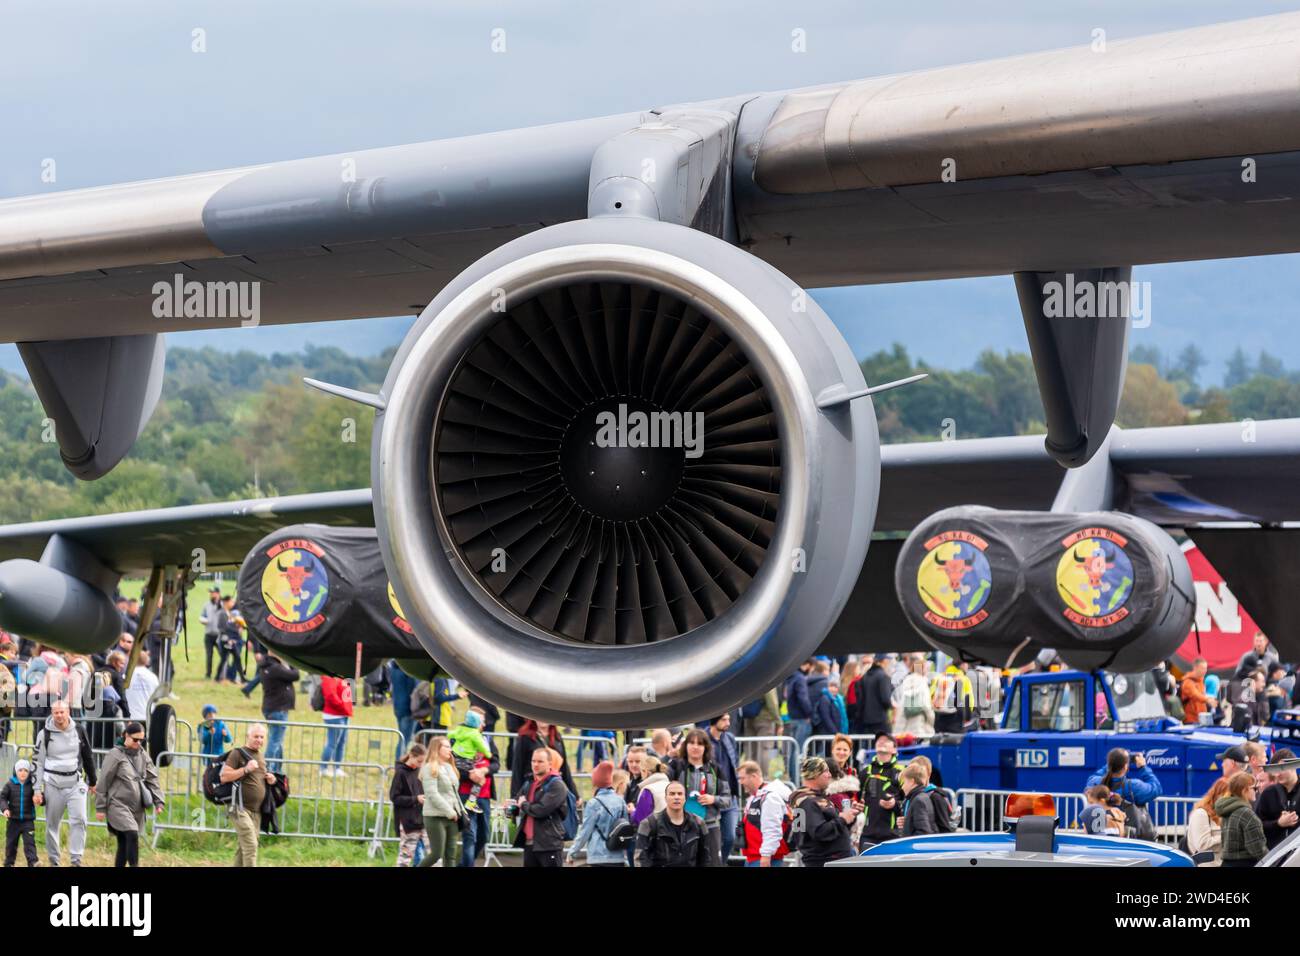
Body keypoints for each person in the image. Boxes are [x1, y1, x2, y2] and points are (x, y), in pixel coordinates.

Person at [32, 699, 97, 867]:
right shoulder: (44, 734)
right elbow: (37, 763)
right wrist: (37, 789)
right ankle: (55, 861)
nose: (59, 716)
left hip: (76, 783)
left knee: (80, 820)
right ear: (52, 714)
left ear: (68, 712)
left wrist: (93, 781)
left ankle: (76, 861)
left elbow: (88, 755)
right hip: (53, 784)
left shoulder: (79, 731)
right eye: (56, 713)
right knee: (52, 825)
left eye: (62, 712)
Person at [94, 721, 164, 868]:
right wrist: (100, 807)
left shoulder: (143, 755)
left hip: (137, 807)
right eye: (135, 739)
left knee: (123, 842)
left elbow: (152, 778)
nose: (138, 743)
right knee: (132, 833)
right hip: (117, 805)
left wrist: (159, 801)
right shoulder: (115, 755)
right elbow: (103, 781)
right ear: (126, 735)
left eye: (141, 740)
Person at [667, 728, 733, 866]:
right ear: (686, 746)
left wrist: (713, 799)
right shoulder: (676, 766)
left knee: (712, 863)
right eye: (691, 743)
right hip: (682, 826)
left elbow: (728, 800)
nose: (695, 747)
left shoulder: (716, 769)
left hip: (710, 826)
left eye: (700, 743)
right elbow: (664, 791)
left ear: (706, 747)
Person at [220, 723, 276, 866]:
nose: (259, 740)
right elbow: (224, 776)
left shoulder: (261, 757)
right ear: (248, 737)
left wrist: (270, 779)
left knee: (244, 847)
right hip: (239, 808)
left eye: (262, 737)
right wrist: (245, 769)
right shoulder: (237, 753)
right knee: (251, 845)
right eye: (256, 736)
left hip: (256, 811)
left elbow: (258, 780)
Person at [790, 755, 858, 866]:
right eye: (826, 771)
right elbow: (820, 832)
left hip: (833, 859)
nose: (830, 775)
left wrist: (850, 816)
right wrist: (843, 819)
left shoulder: (818, 798)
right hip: (824, 860)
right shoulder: (808, 801)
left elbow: (838, 826)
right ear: (815, 774)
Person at [512, 746, 570, 867]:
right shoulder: (529, 783)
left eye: (540, 761)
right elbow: (518, 803)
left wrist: (523, 804)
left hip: (549, 844)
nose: (535, 764)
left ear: (550, 764)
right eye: (533, 761)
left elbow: (541, 810)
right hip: (529, 843)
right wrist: (512, 807)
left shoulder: (557, 785)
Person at [635, 780, 710, 867]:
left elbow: (705, 858)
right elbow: (640, 859)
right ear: (665, 798)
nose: (676, 797)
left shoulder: (699, 823)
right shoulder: (649, 824)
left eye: (680, 794)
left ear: (685, 798)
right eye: (672, 794)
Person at [567, 761, 628, 867]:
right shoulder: (621, 801)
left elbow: (585, 832)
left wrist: (572, 851)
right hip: (618, 855)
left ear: (595, 782)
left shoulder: (594, 803)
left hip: (598, 856)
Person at [418, 736, 467, 868]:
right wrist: (449, 811)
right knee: (436, 854)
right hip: (435, 817)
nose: (450, 749)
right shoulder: (429, 768)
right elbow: (432, 794)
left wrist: (461, 811)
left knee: (451, 855)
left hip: (453, 818)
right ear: (437, 749)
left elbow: (454, 793)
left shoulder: (449, 767)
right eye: (446, 746)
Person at [737, 760, 792, 866]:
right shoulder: (756, 796)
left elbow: (772, 829)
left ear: (753, 776)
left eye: (742, 778)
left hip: (765, 859)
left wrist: (766, 855)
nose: (740, 782)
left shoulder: (769, 797)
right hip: (754, 858)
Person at [705, 712, 741, 863]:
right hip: (708, 797)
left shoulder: (730, 738)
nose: (728, 722)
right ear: (714, 720)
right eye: (724, 719)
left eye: (729, 719)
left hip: (729, 797)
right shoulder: (703, 739)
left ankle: (722, 862)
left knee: (729, 837)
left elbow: (735, 762)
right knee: (708, 839)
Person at [858, 732, 905, 848]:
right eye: (879, 740)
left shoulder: (902, 772)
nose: (882, 741)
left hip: (893, 834)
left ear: (894, 750)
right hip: (868, 833)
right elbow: (856, 799)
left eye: (887, 740)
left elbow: (908, 801)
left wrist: (895, 804)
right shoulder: (866, 772)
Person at [510, 719, 577, 797]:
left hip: (554, 787)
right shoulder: (525, 738)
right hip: (534, 788)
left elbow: (564, 768)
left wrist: (575, 794)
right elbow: (517, 768)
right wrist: (515, 796)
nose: (542, 719)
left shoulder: (557, 738)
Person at [390, 743, 430, 867]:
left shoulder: (420, 771)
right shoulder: (400, 773)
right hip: (408, 821)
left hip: (423, 818)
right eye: (419, 761)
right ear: (411, 756)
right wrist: (415, 799)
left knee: (433, 854)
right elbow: (394, 797)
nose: (420, 764)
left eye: (423, 762)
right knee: (405, 858)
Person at [257, 653, 299, 773]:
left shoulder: (266, 666)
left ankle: (277, 769)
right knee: (275, 741)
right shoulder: (275, 668)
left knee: (276, 740)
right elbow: (295, 675)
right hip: (278, 709)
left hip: (272, 708)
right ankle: (266, 769)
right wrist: (291, 662)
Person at [1216, 772, 1267, 867]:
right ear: (1244, 791)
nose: (1256, 791)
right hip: (1245, 863)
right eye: (1254, 788)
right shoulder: (1246, 814)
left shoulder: (1227, 810)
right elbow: (1257, 849)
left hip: (1226, 863)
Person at [1085, 747, 1162, 807]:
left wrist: (1113, 761)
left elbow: (1095, 776)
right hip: (1125, 826)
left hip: (1102, 825)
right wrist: (1143, 767)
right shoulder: (1134, 786)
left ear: (1109, 764)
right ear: (1125, 767)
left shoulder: (1095, 783)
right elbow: (1156, 788)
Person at [1256, 749, 1300, 849]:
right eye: (1275, 770)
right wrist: (1278, 823)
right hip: (1275, 858)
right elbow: (1256, 826)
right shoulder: (1268, 793)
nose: (1277, 774)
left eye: (1282, 769)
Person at [1187, 777, 1232, 866]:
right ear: (1218, 795)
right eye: (1229, 796)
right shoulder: (1201, 814)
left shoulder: (1225, 815)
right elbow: (1202, 845)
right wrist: (1229, 836)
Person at [2, 758, 38, 867]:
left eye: (26, 771)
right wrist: (5, 809)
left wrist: (40, 800)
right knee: (11, 844)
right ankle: (9, 863)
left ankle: (33, 862)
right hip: (13, 821)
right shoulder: (10, 784)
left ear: (29, 773)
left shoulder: (33, 785)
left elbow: (41, 798)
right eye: (20, 770)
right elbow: (2, 798)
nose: (23, 773)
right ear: (16, 771)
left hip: (28, 821)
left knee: (29, 843)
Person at [319, 674, 353, 777]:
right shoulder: (329, 677)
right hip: (334, 716)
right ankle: (323, 768)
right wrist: (342, 706)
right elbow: (330, 695)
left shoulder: (342, 677)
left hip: (343, 714)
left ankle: (337, 768)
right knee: (332, 743)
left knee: (341, 742)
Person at [894, 655, 935, 738]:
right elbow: (926, 705)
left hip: (904, 727)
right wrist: (931, 718)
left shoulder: (906, 681)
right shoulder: (922, 683)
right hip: (920, 726)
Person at [854, 654, 894, 737]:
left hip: (865, 721)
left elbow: (859, 699)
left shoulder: (864, 676)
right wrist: (892, 706)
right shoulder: (883, 676)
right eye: (888, 660)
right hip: (880, 721)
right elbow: (886, 699)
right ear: (884, 661)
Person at [782, 660, 815, 760]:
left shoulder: (790, 678)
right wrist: (809, 714)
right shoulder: (800, 678)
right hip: (802, 718)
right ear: (807, 665)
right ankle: (797, 774)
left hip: (792, 717)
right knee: (800, 750)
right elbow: (803, 698)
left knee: (794, 750)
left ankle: (793, 774)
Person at [932, 660, 975, 733]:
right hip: (956, 718)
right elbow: (970, 702)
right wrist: (967, 717)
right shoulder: (964, 679)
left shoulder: (939, 677)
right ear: (962, 665)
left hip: (939, 716)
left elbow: (932, 695)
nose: (967, 666)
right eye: (966, 663)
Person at [900, 764, 943, 835]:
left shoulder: (918, 801)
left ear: (911, 781)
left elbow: (923, 832)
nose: (902, 787)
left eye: (903, 783)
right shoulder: (921, 797)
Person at [388, 660, 419, 759]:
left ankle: (399, 763)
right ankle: (400, 764)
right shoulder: (409, 671)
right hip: (408, 709)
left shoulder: (393, 668)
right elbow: (415, 690)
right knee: (405, 740)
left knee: (402, 738)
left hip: (398, 707)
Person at [631, 755, 670, 826]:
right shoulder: (670, 785)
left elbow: (640, 819)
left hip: (656, 832)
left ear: (645, 771)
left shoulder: (648, 790)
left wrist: (632, 811)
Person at [124, 649, 159, 724]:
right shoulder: (153, 677)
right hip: (148, 716)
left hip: (130, 717)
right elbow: (157, 697)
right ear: (146, 661)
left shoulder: (126, 676)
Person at [1179, 658, 1216, 725]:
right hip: (1190, 720)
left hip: (1201, 719)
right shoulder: (1187, 682)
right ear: (1195, 668)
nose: (1205, 671)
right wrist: (1208, 700)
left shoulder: (1201, 681)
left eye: (1206, 668)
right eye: (1202, 668)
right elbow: (1195, 695)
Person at [198, 587, 223, 679]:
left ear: (218, 594)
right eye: (211, 593)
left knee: (223, 655)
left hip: (219, 635)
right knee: (209, 656)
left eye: (213, 593)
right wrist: (203, 620)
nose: (211, 594)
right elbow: (202, 616)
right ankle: (208, 674)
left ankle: (223, 674)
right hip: (208, 634)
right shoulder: (206, 605)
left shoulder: (222, 605)